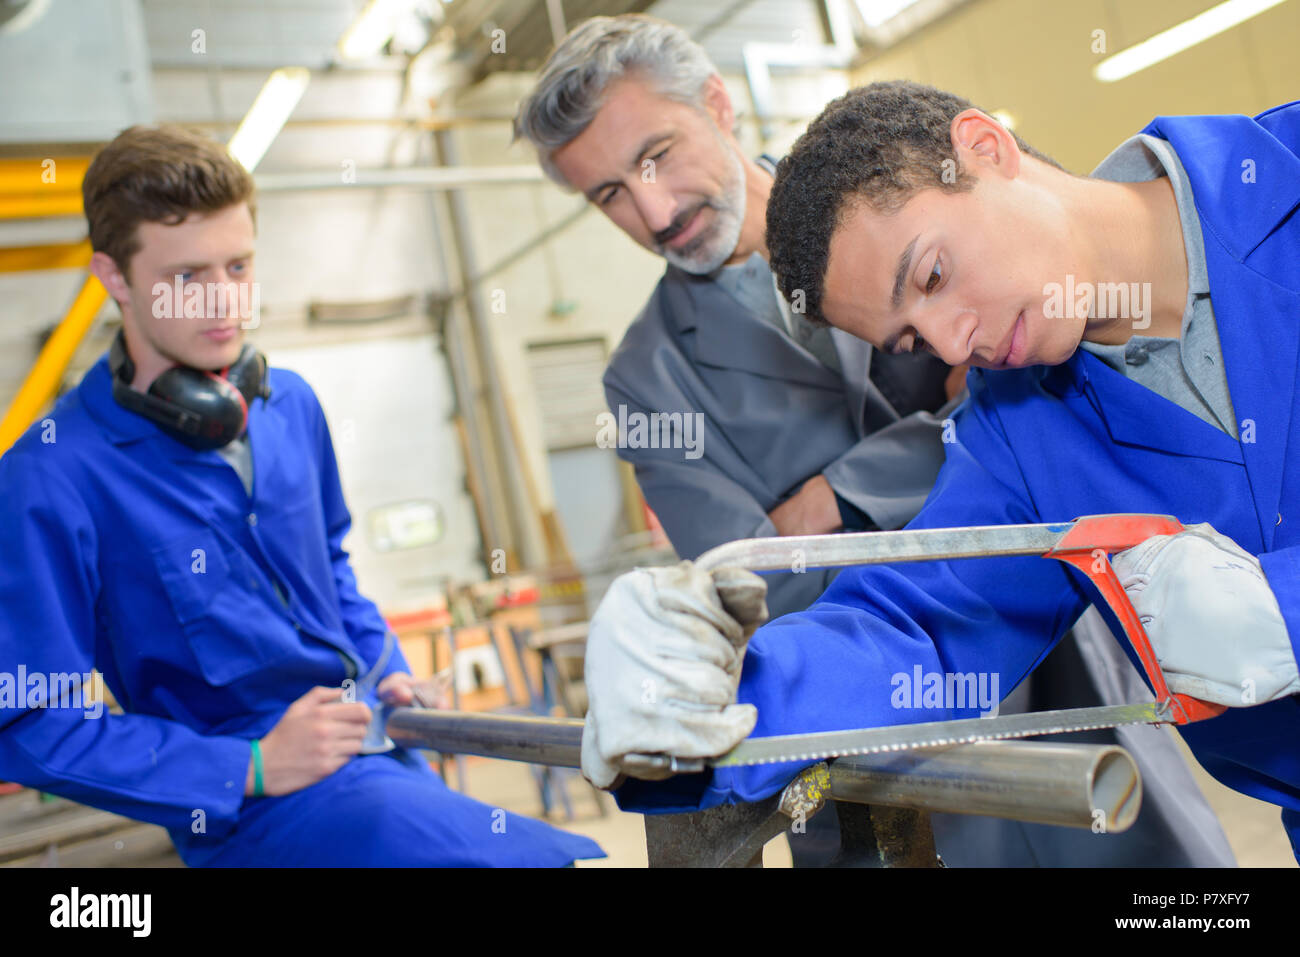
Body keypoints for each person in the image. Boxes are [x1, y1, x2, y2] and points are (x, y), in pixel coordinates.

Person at [514, 19, 1231, 866]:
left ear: (717, 103)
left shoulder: (892, 189)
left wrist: (838, 495)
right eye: (607, 195)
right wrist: (686, 713)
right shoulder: (646, 380)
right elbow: (762, 578)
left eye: (657, 155)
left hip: (1060, 672)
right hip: (864, 736)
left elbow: (1029, 398)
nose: (654, 209)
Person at [0, 124, 603, 868]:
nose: (227, 301)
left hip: (381, 761)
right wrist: (249, 765)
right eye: (187, 277)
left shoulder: (290, 406)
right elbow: (30, 724)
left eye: (239, 264)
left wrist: (386, 667)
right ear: (115, 278)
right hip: (258, 818)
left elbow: (330, 566)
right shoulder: (53, 476)